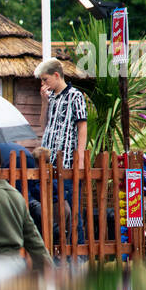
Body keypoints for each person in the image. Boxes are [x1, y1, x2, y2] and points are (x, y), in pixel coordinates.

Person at [37, 57, 88, 243]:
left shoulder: (76, 96)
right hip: (49, 163)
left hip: (67, 162)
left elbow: (82, 127)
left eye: (45, 79)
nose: (43, 83)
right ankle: (60, 250)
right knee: (55, 211)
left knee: (73, 210)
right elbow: (43, 125)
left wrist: (80, 158)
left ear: (56, 75)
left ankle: (78, 253)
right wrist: (44, 102)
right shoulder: (50, 97)